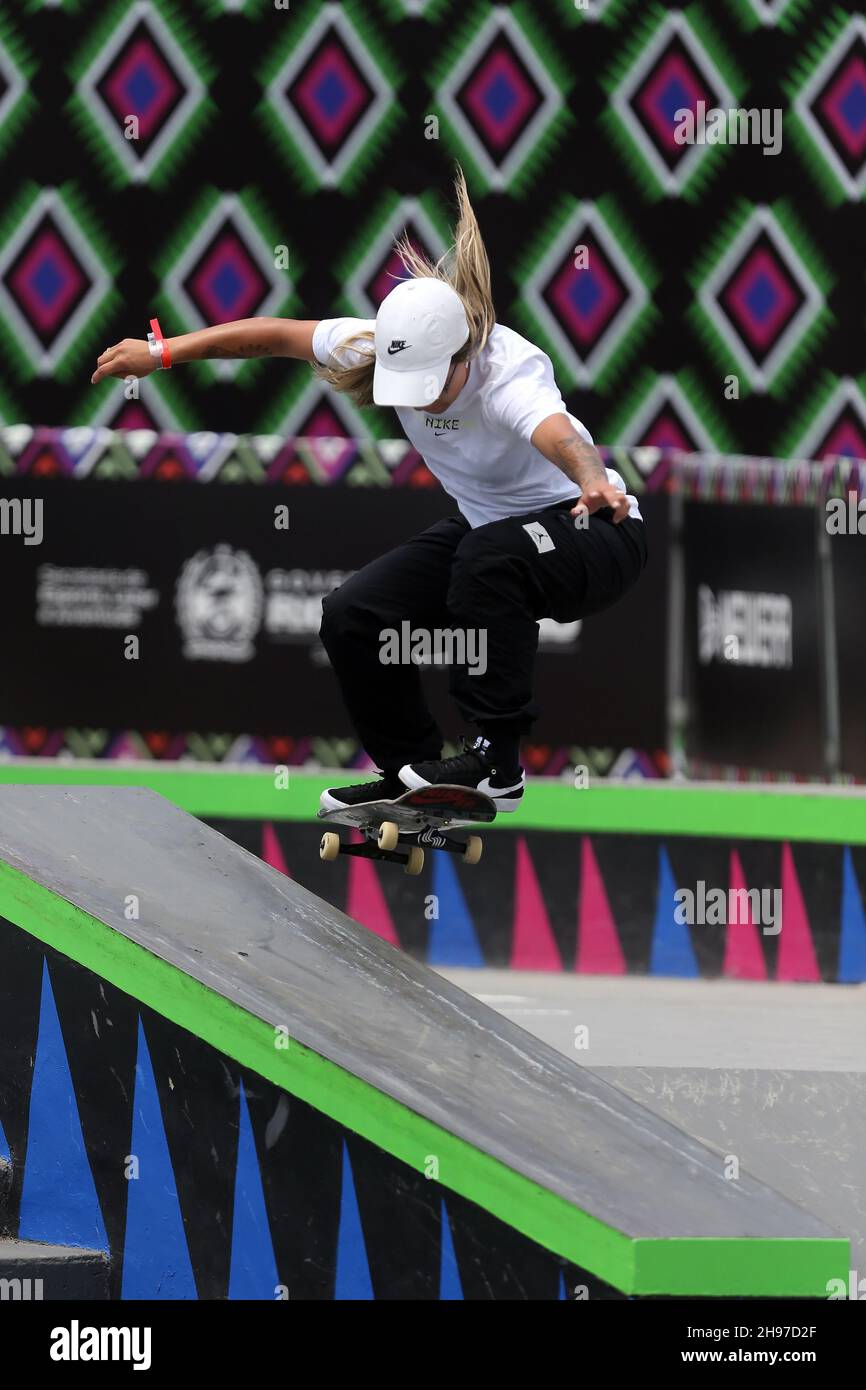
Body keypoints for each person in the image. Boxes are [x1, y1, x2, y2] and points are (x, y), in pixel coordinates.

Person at [92, 169, 646, 816]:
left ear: (461, 354)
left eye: (434, 383)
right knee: (354, 611)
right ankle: (412, 772)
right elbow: (274, 335)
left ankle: (496, 762)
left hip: (594, 532)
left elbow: (557, 435)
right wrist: (161, 355)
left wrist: (592, 481)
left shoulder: (507, 375)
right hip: (492, 529)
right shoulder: (376, 343)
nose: (423, 398)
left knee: (488, 557)